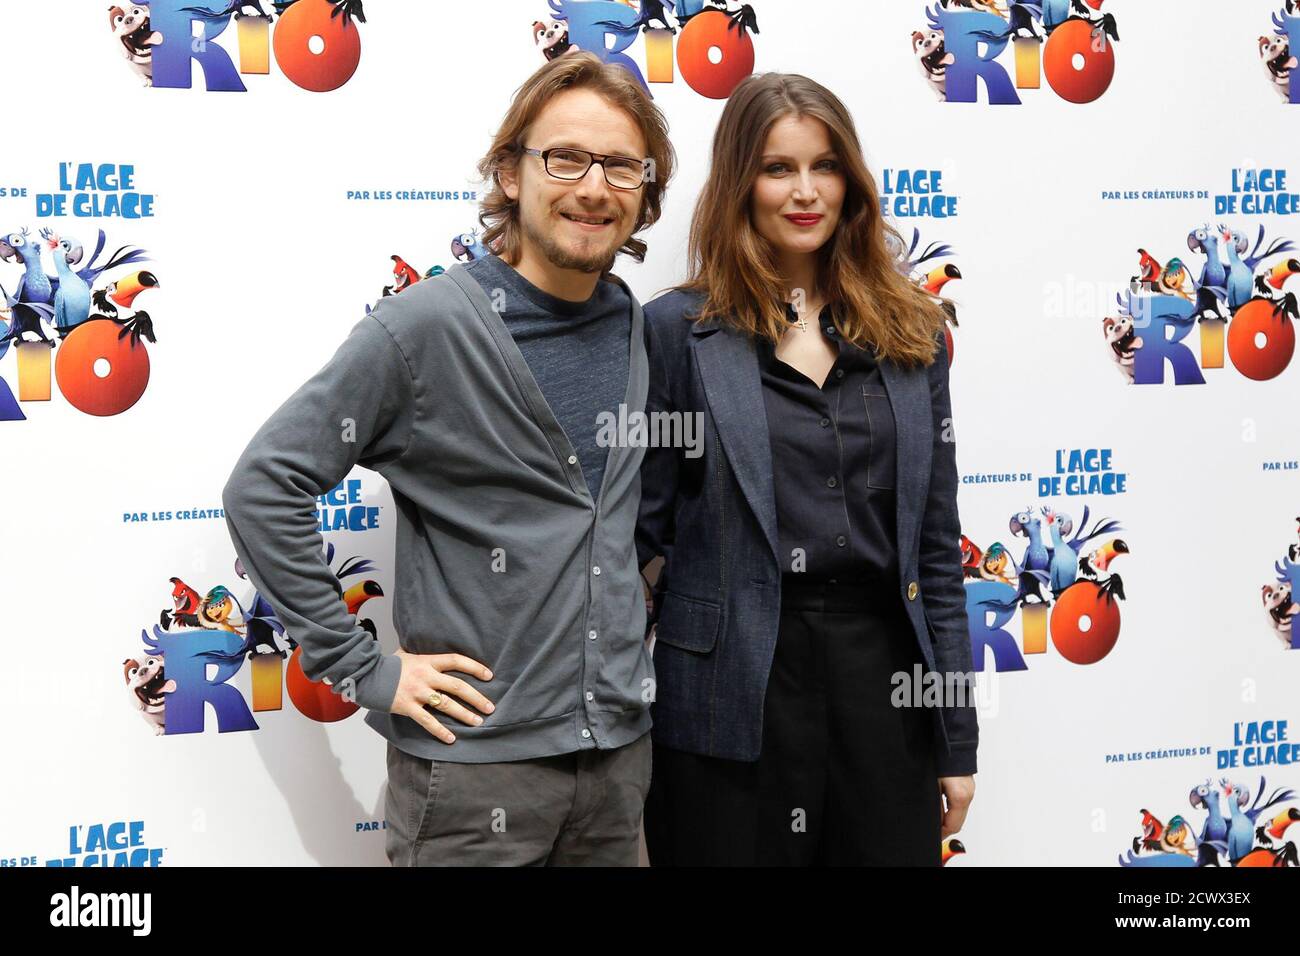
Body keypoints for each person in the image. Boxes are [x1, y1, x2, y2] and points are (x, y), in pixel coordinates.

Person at [221, 51, 675, 866]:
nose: (595, 187)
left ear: (645, 190)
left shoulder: (632, 324)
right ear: (509, 172)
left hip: (617, 768)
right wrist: (363, 665)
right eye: (565, 157)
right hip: (473, 783)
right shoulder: (423, 329)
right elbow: (265, 487)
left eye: (621, 165)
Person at [636, 72, 976, 866]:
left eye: (824, 166)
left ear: (850, 181)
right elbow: (635, 544)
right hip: (728, 693)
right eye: (777, 167)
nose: (805, 191)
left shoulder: (913, 335)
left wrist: (955, 734)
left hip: (886, 688)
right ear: (739, 183)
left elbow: (936, 550)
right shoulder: (675, 335)